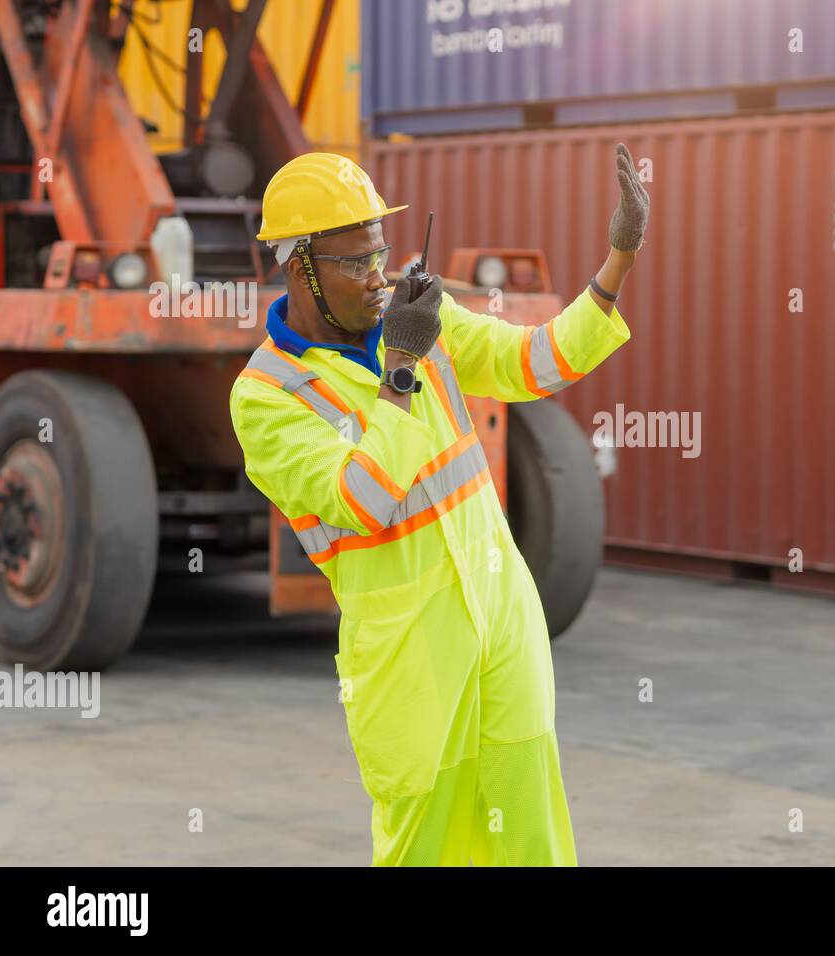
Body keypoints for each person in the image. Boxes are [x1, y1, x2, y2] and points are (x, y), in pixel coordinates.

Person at [228, 145, 650, 865]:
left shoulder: (421, 320)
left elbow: (535, 361)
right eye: (355, 262)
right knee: (426, 848)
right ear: (299, 267)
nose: (377, 276)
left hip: (501, 624)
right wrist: (399, 369)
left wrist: (616, 261)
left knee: (531, 835)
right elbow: (363, 500)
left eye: (381, 253)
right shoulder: (266, 397)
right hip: (410, 660)